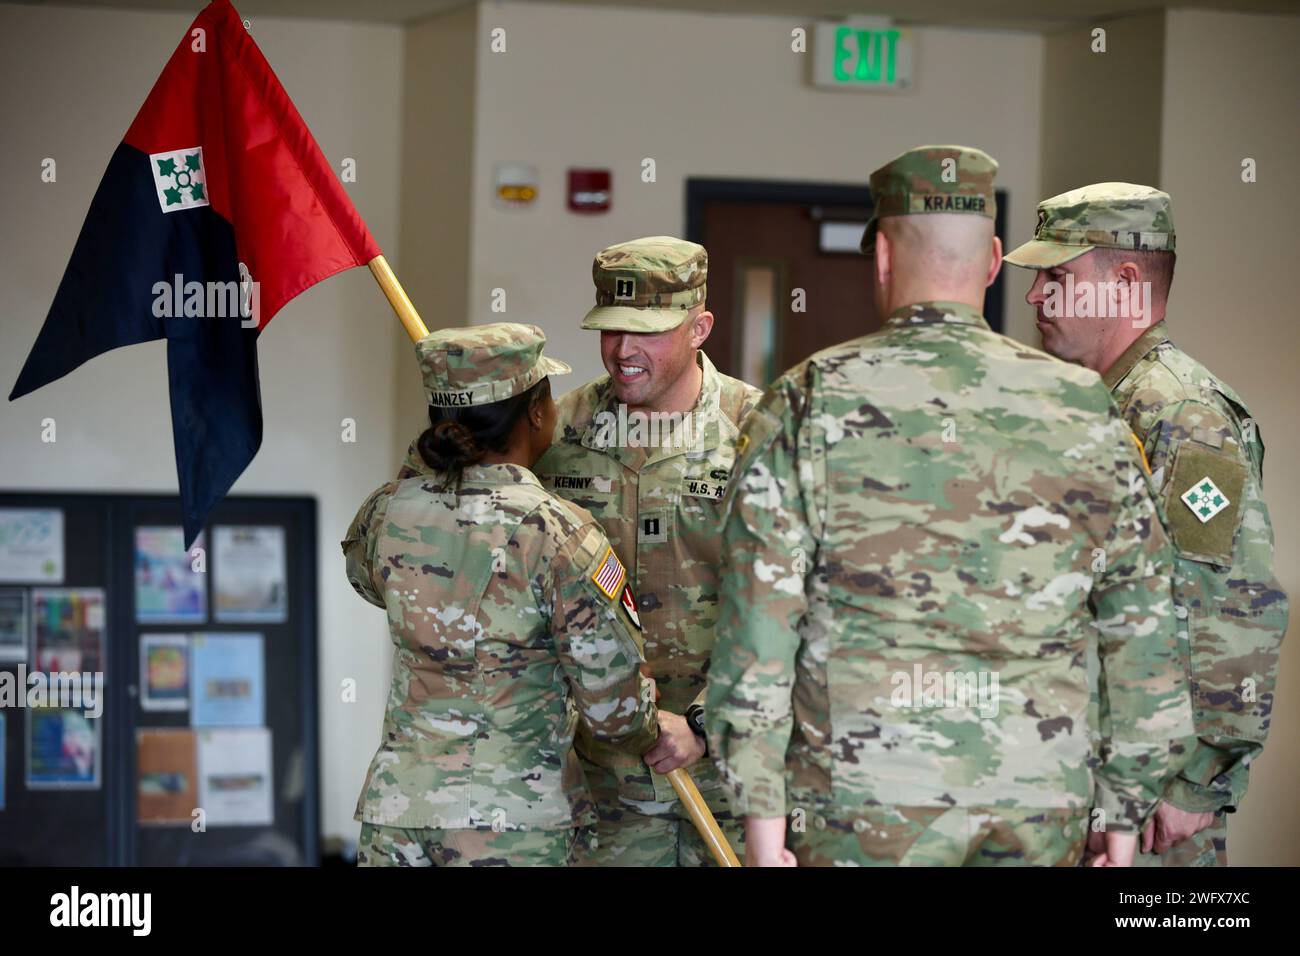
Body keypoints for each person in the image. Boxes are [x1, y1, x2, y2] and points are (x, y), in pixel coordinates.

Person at [707, 145, 1196, 867]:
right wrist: (1120, 825)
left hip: (859, 806)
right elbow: (1142, 627)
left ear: (879, 256)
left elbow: (758, 627)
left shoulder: (808, 400)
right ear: (996, 259)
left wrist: (760, 830)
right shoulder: (1083, 407)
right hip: (1039, 804)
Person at [400, 237, 760, 866]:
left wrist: (705, 724)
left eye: (646, 332)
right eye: (610, 329)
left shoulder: (757, 432)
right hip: (597, 785)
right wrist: (451, 432)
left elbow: (798, 601)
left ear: (700, 327)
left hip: (730, 780)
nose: (623, 352)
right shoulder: (551, 428)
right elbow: (441, 527)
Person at [1004, 183, 1288, 866]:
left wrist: (1195, 783)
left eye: (1057, 276)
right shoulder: (1095, 403)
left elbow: (1231, 607)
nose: (1035, 294)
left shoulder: (1182, 416)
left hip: (1152, 801)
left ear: (1125, 282)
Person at [343, 323, 658, 867]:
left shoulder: (384, 511)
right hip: (512, 824)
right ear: (536, 412)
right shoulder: (557, 531)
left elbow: (367, 580)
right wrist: (653, 718)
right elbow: (615, 715)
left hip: (398, 816)